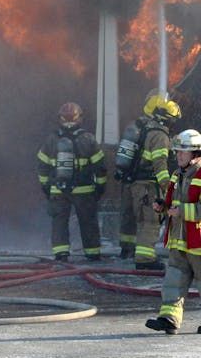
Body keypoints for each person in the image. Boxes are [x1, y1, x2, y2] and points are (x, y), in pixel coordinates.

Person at [145, 129, 201, 336]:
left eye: (183, 152)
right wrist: (162, 206)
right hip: (179, 240)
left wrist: (180, 211)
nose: (178, 156)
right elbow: (173, 202)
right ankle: (169, 319)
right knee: (173, 281)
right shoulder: (177, 176)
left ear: (195, 154)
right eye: (177, 152)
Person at [36, 102, 107, 261]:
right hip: (84, 190)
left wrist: (46, 186)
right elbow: (100, 167)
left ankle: (61, 254)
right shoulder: (88, 139)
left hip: (58, 190)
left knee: (59, 222)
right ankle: (93, 253)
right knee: (88, 222)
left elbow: (42, 166)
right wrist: (100, 186)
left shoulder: (51, 140)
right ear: (79, 118)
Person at [119, 91, 180, 269]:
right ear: (165, 118)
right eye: (172, 119)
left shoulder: (144, 129)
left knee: (136, 218)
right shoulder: (160, 135)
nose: (173, 123)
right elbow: (160, 165)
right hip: (148, 186)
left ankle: (129, 250)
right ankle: (145, 259)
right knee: (151, 220)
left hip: (135, 183)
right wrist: (168, 188)